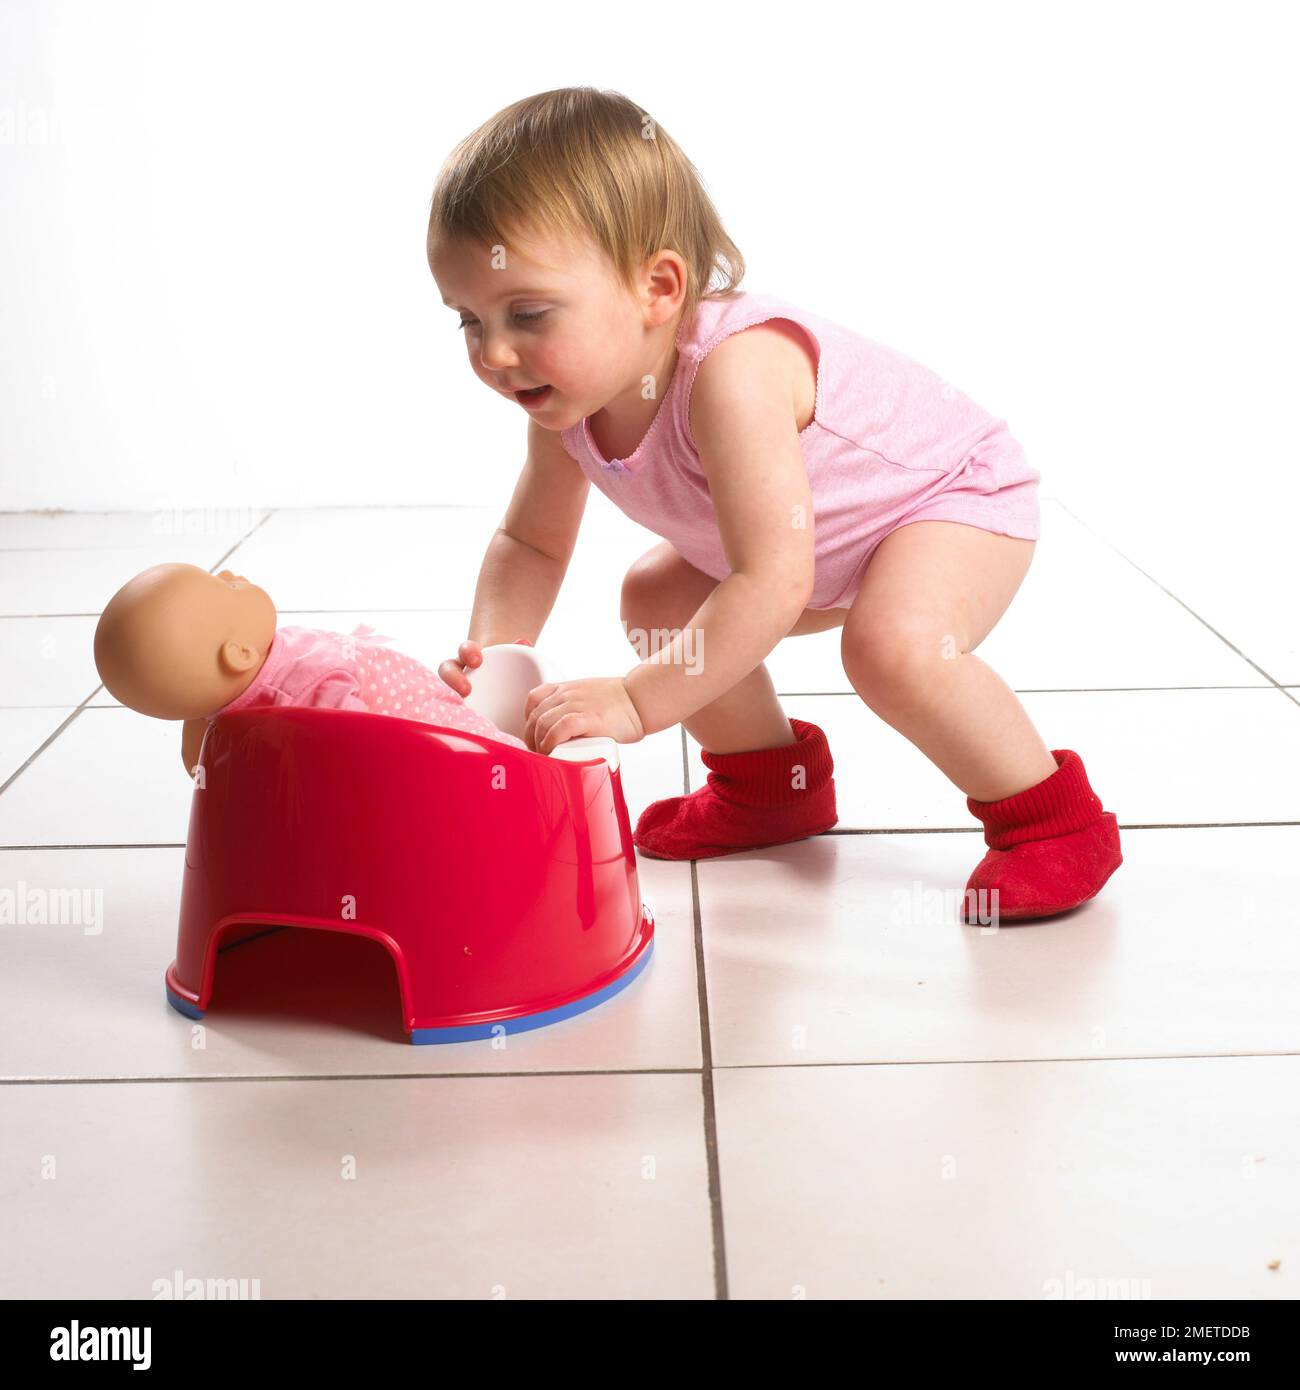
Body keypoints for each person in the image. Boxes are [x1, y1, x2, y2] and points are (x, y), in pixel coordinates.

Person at [430, 87, 1121, 923]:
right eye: (468, 321)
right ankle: (771, 788)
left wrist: (639, 700)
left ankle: (1051, 821)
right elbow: (530, 543)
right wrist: (496, 656)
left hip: (949, 497)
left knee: (893, 649)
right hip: (804, 549)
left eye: (527, 314)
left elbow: (771, 578)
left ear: (658, 286)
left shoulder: (732, 373)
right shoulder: (564, 402)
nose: (496, 354)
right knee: (656, 595)